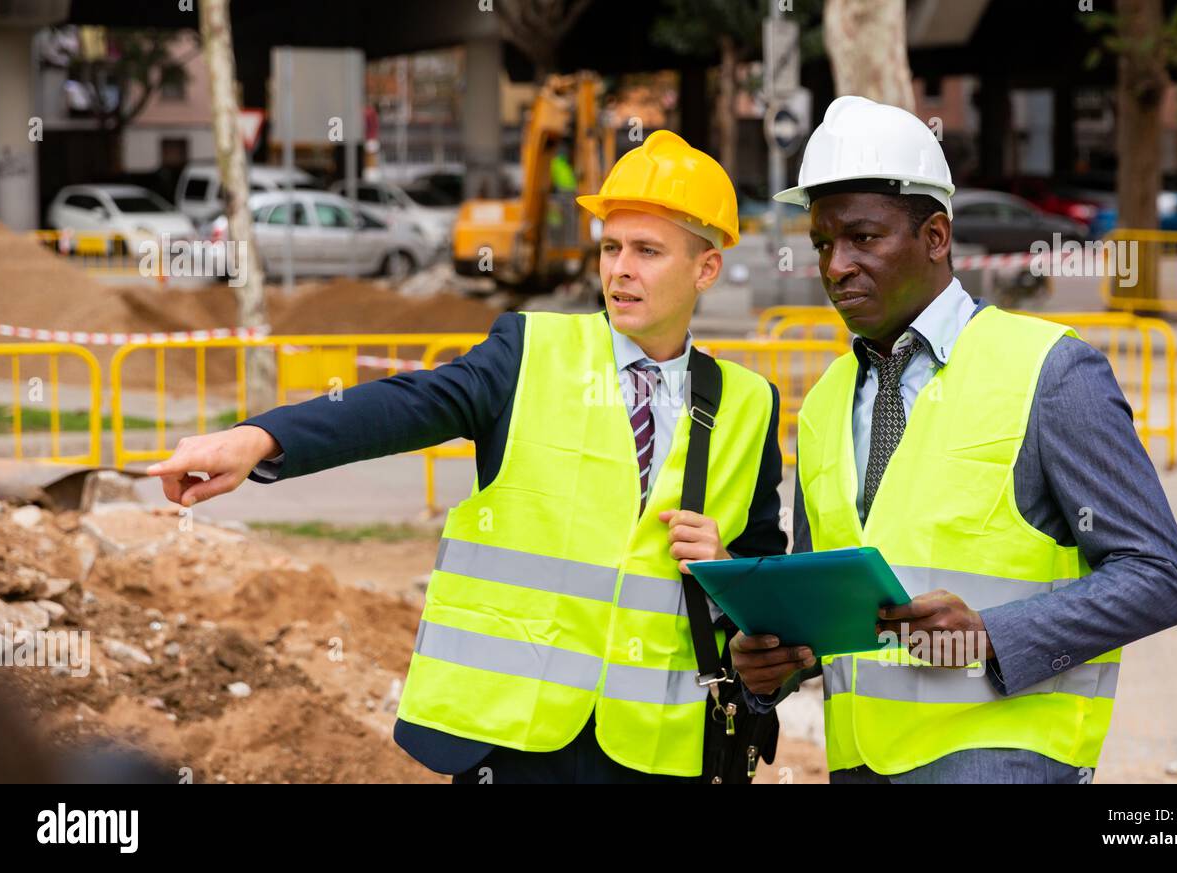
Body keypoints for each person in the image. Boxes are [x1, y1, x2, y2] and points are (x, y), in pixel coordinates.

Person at [147, 130, 786, 784]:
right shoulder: (529, 348)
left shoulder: (749, 404)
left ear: (706, 269)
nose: (620, 268)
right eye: (611, 247)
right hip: (516, 740)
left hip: (658, 751)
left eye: (648, 251)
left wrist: (730, 568)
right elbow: (409, 403)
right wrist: (264, 438)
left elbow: (770, 598)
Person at [731, 96, 1177, 784]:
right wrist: (771, 666)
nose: (836, 266)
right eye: (824, 243)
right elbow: (826, 607)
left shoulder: (1050, 370)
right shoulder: (825, 401)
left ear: (937, 236)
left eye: (863, 237)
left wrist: (990, 635)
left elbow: (1159, 576)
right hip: (860, 763)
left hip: (1003, 756)